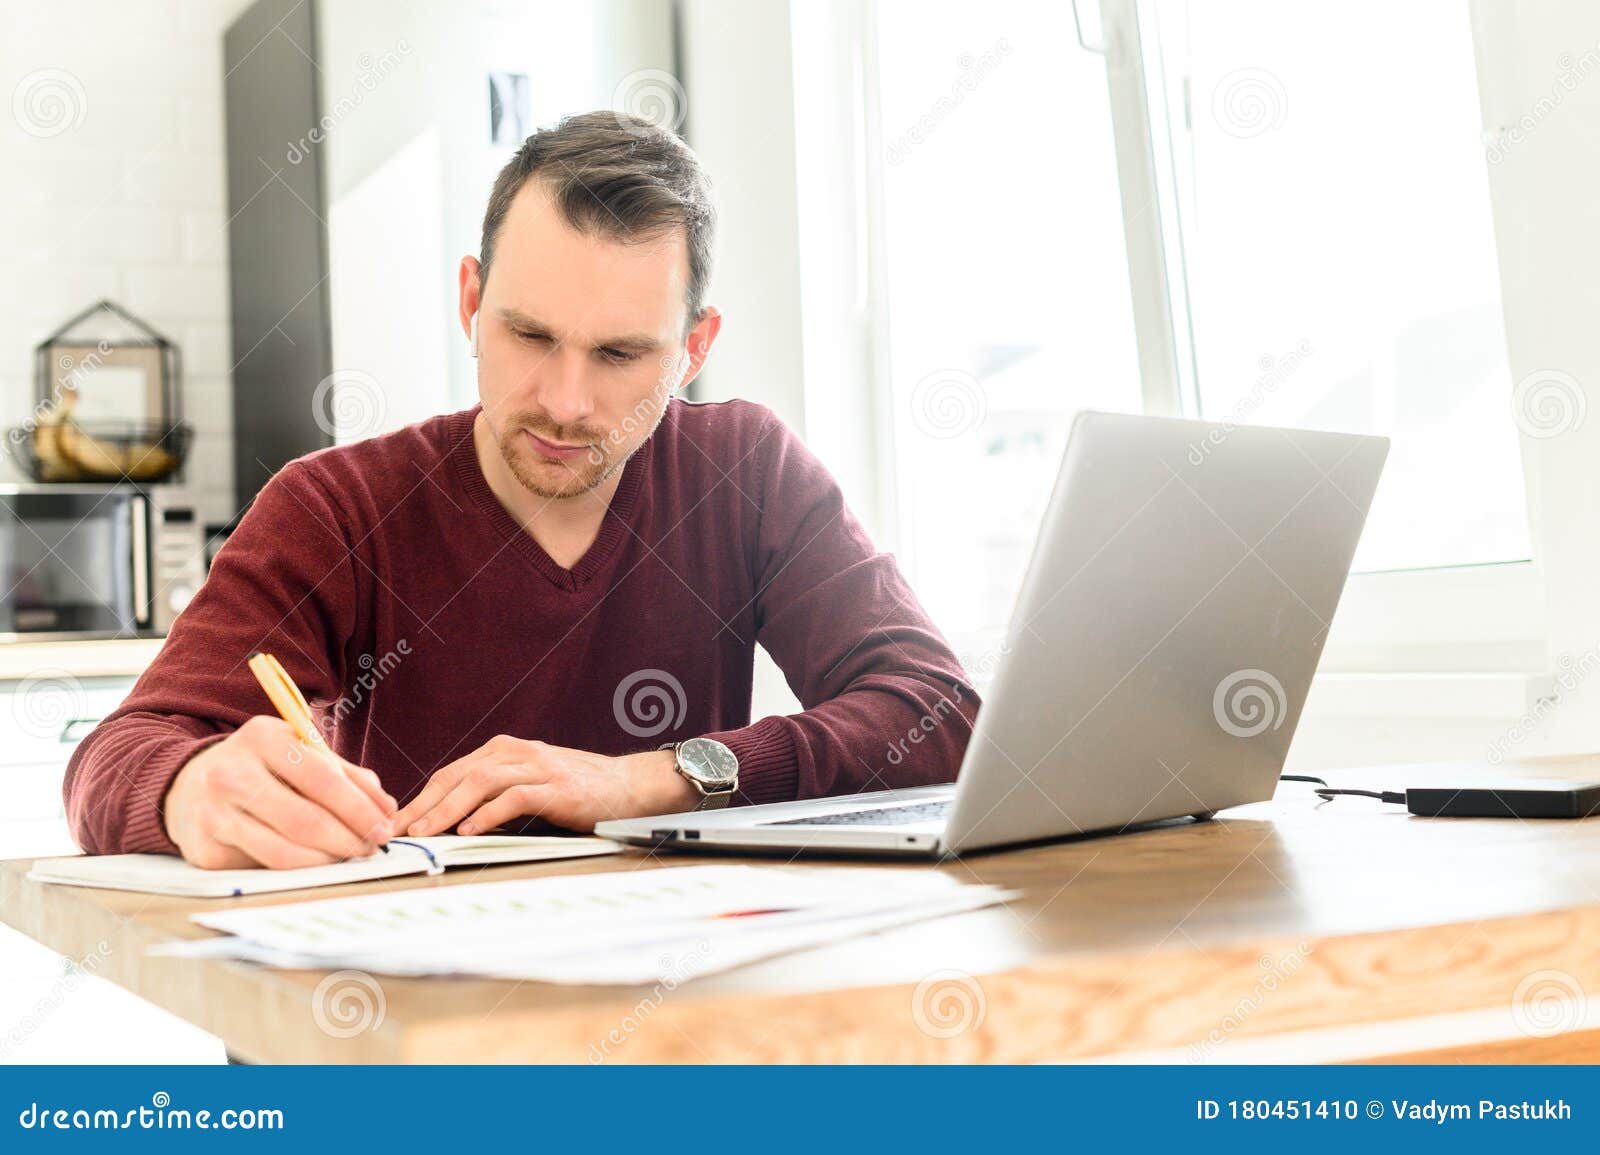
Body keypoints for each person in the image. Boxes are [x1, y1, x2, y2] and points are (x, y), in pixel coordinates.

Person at [63, 110, 978, 868]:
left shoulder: (745, 471)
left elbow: (937, 711)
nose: (565, 403)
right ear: (471, 300)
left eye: (620, 354)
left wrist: (649, 779)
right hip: (402, 1010)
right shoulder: (335, 507)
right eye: (529, 335)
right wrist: (189, 789)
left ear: (694, 349)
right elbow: (115, 758)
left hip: (673, 994)